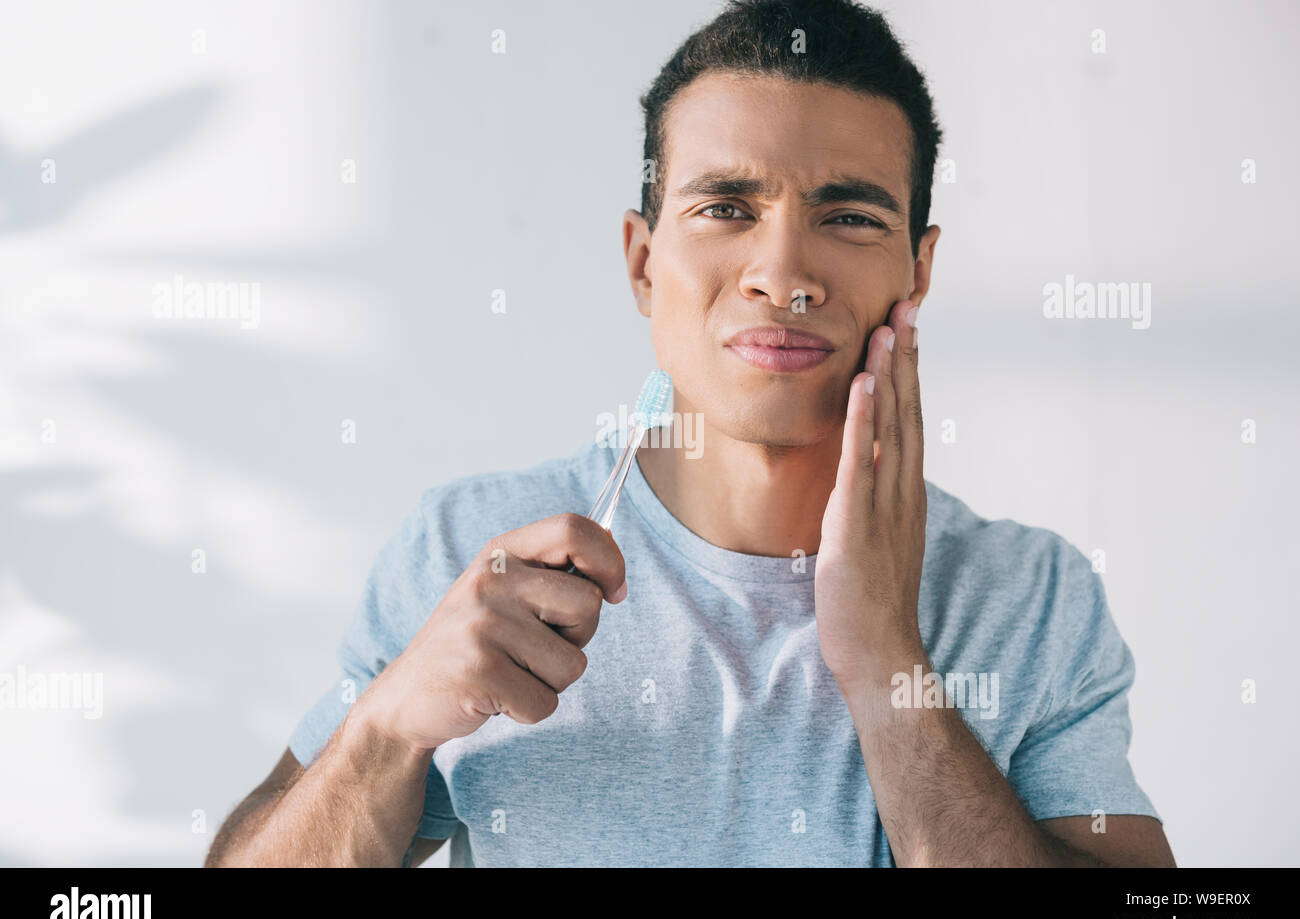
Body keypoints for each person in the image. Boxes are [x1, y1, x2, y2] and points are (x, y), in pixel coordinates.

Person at [206, 0, 1174, 868]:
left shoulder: (1034, 601)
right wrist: (387, 732)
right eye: (725, 207)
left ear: (917, 274)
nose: (782, 272)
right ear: (641, 263)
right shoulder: (469, 555)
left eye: (847, 215)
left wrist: (888, 666)